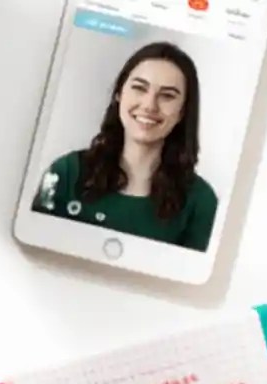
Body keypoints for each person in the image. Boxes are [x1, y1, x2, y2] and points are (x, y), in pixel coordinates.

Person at [33, 42, 218, 252]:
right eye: (139, 88)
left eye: (167, 95)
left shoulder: (201, 202)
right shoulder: (65, 172)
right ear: (119, 94)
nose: (149, 105)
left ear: (183, 111)